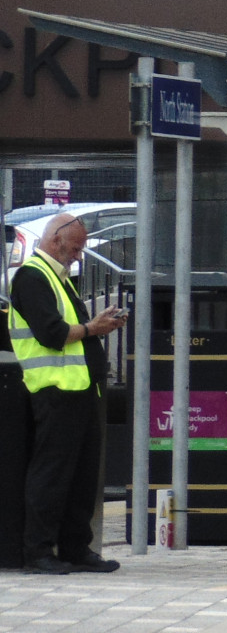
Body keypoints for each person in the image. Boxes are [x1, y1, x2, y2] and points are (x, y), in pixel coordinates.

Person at [7, 213, 125, 573]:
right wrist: (93, 328)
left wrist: (95, 327)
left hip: (80, 389)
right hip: (55, 391)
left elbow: (74, 330)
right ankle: (38, 551)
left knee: (82, 476)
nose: (78, 256)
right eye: (75, 248)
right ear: (56, 239)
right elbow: (52, 334)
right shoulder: (32, 277)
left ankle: (76, 548)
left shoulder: (58, 279)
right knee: (52, 474)